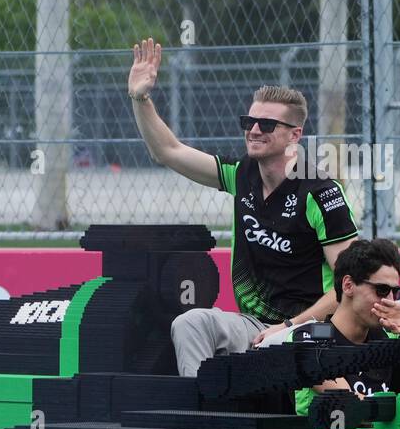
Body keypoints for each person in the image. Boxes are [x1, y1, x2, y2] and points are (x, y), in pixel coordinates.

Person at [127, 37, 359, 377]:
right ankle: (203, 421)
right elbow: (168, 152)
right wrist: (140, 97)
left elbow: (348, 288)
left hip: (313, 330)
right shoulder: (242, 175)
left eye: (266, 125)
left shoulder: (322, 193)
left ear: (295, 134)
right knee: (191, 322)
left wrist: (290, 326)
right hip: (254, 325)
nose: (253, 130)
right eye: (248, 122)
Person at [290, 238, 400, 420]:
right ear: (348, 285)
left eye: (397, 292)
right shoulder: (308, 337)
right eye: (382, 290)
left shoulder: (388, 334)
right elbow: (350, 403)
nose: (391, 300)